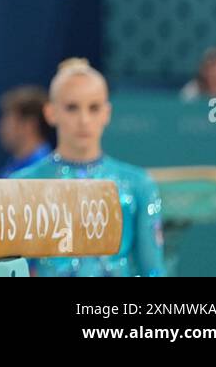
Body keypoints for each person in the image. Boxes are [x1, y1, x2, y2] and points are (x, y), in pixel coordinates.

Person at [13, 59, 166, 276]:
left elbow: (153, 269)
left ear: (107, 112)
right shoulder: (23, 184)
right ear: (50, 112)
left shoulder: (138, 184)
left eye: (94, 108)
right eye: (72, 108)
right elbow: (8, 266)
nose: (84, 120)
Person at [0, 85, 52, 177]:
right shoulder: (11, 167)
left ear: (29, 125)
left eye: (8, 119)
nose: (1, 127)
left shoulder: (48, 171)